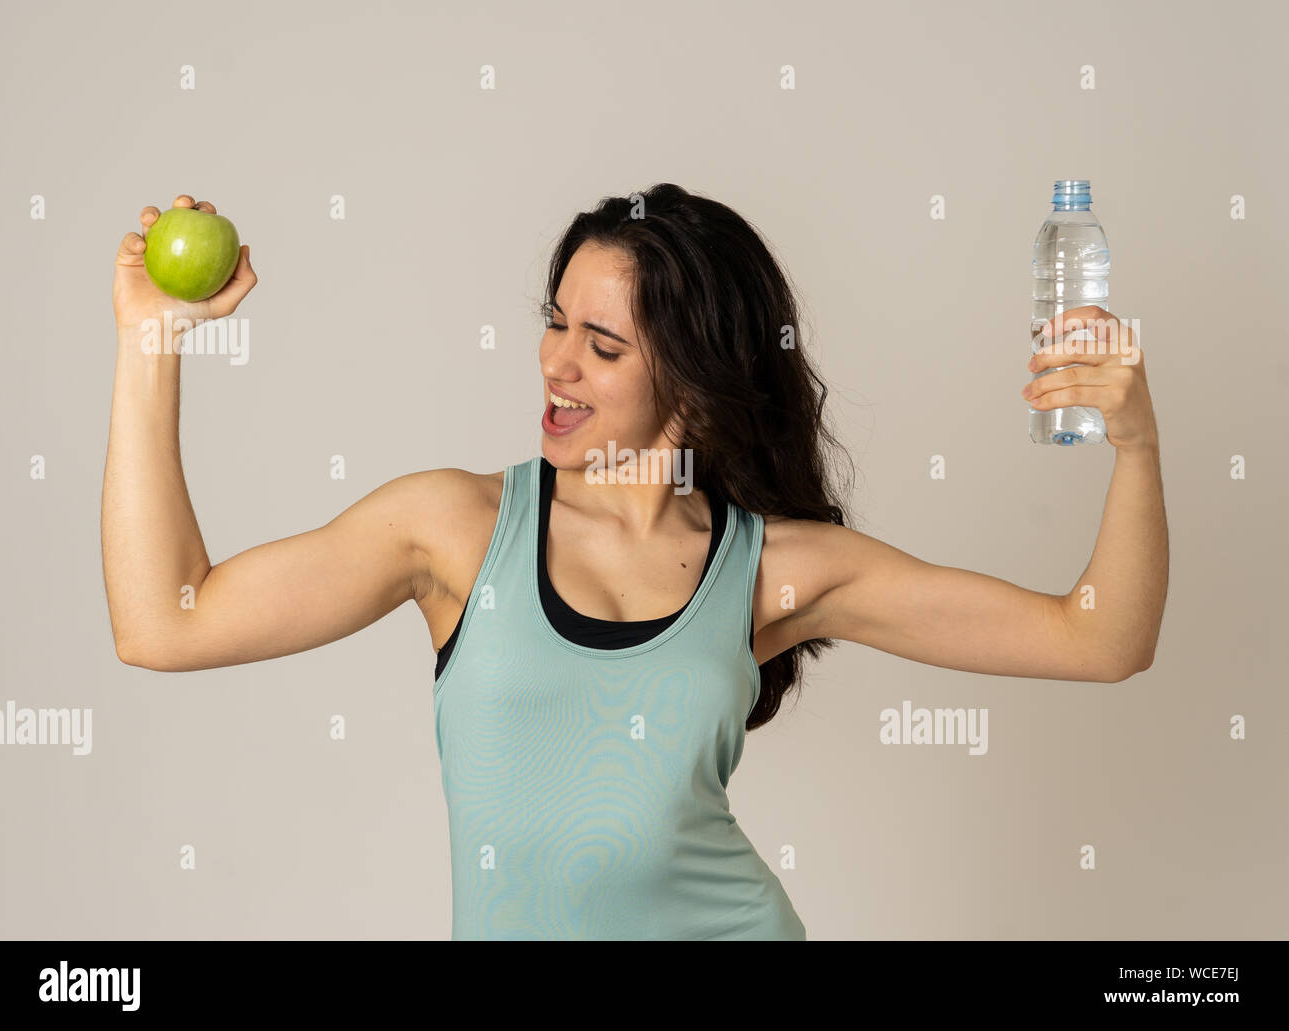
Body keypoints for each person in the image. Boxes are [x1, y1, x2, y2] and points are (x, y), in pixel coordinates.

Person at [103, 183, 1168, 940]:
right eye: (555, 323)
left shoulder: (771, 567)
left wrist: (1135, 445)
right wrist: (151, 343)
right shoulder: (455, 528)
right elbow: (165, 620)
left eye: (602, 345)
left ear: (694, 381)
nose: (555, 362)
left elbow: (1100, 639)